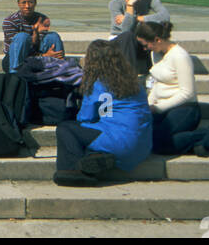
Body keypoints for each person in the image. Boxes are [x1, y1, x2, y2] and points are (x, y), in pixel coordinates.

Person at [53, 39, 152, 187]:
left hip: (115, 140)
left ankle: (72, 171)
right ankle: (95, 158)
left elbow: (85, 117)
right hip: (142, 146)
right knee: (93, 136)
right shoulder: (135, 84)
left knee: (65, 129)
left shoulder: (98, 85)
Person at [137, 21, 209, 157]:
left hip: (185, 108)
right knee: (144, 136)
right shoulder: (156, 54)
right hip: (161, 107)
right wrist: (148, 104)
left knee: (158, 142)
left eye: (145, 45)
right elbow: (157, 83)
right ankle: (198, 143)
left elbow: (187, 93)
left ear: (157, 40)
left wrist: (158, 108)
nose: (145, 49)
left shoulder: (180, 56)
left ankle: (205, 135)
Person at [108, 0, 170, 73]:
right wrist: (130, 6)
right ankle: (129, 77)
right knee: (128, 36)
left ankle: (157, 73)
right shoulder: (116, 2)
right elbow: (125, 29)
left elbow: (165, 16)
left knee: (155, 36)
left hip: (140, 40)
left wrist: (137, 18)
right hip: (119, 40)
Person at [2, 0, 66, 74]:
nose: (27, 6)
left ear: (35, 3)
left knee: (53, 36)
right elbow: (17, 50)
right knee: (22, 37)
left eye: (30, 2)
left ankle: (60, 72)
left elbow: (36, 46)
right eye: (23, 3)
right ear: (18, 4)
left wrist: (36, 33)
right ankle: (15, 77)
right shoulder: (10, 21)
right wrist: (43, 56)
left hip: (36, 58)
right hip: (14, 60)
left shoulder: (42, 19)